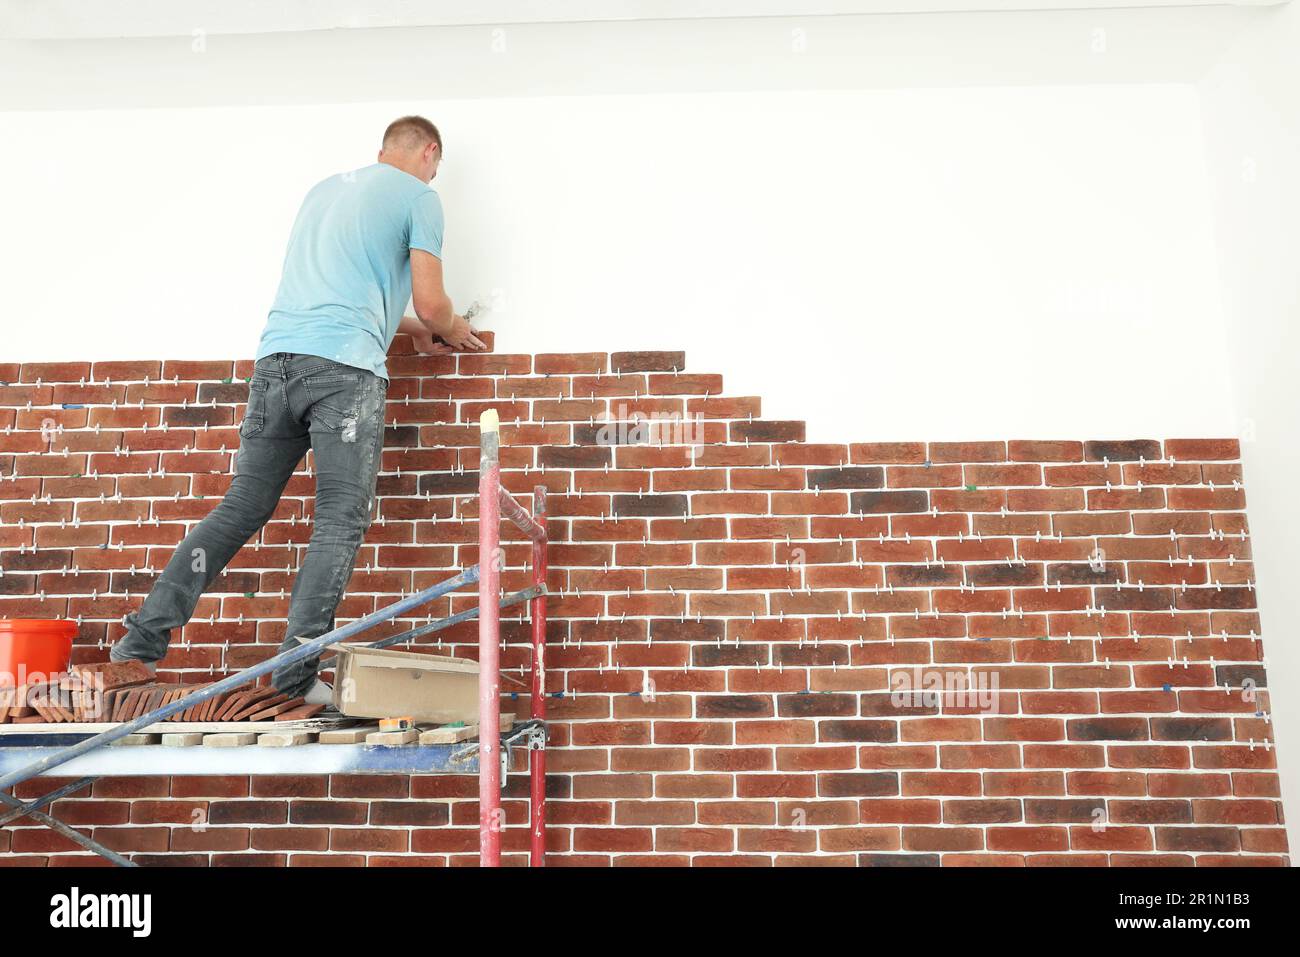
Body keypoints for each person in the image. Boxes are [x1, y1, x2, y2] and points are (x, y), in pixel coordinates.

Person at [109, 115, 484, 703]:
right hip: (344, 375)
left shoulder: (324, 192)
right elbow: (434, 304)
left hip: (277, 362)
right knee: (338, 518)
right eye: (436, 163)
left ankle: (138, 645)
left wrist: (406, 329)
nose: (434, 172)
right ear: (429, 151)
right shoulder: (420, 197)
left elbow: (337, 295)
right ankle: (296, 675)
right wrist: (452, 328)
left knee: (241, 507)